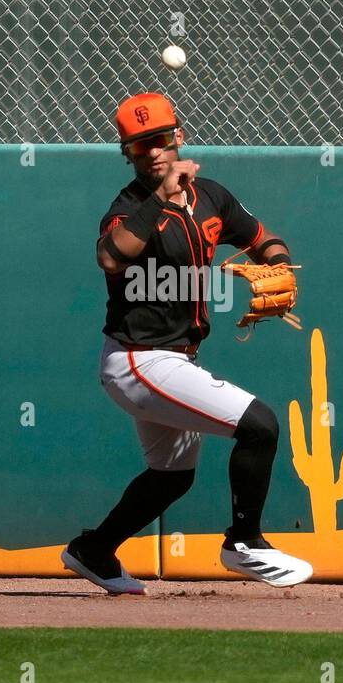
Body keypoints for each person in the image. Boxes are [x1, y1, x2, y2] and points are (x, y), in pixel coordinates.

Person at [60, 91, 313, 595]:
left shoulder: (212, 195)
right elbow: (112, 258)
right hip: (139, 360)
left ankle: (93, 549)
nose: (151, 152)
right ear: (127, 154)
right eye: (137, 146)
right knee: (259, 425)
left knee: (173, 476)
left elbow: (261, 237)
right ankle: (244, 542)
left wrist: (278, 263)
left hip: (173, 358)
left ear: (177, 137)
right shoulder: (128, 209)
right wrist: (160, 200)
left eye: (157, 139)